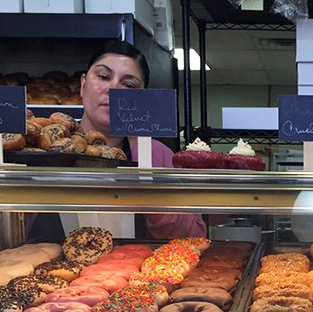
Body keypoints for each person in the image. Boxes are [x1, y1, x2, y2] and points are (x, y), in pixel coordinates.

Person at [27, 40, 206, 241]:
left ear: (142, 98)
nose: (113, 89)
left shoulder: (157, 155)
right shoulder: (37, 150)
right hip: (44, 269)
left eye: (128, 85)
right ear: (83, 84)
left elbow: (194, 238)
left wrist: (156, 202)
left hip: (138, 270)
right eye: (103, 77)